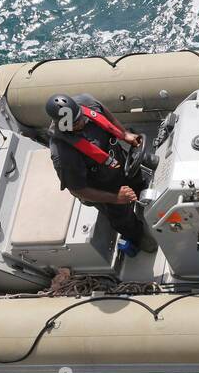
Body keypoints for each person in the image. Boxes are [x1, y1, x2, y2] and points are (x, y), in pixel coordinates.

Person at [46, 92, 147, 257]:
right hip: (104, 188)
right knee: (122, 218)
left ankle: (143, 199)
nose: (83, 121)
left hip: (121, 163)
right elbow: (78, 190)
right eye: (76, 122)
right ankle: (139, 236)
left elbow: (110, 119)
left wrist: (124, 134)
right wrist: (116, 198)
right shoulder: (63, 152)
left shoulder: (87, 102)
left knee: (138, 182)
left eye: (81, 116)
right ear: (64, 125)